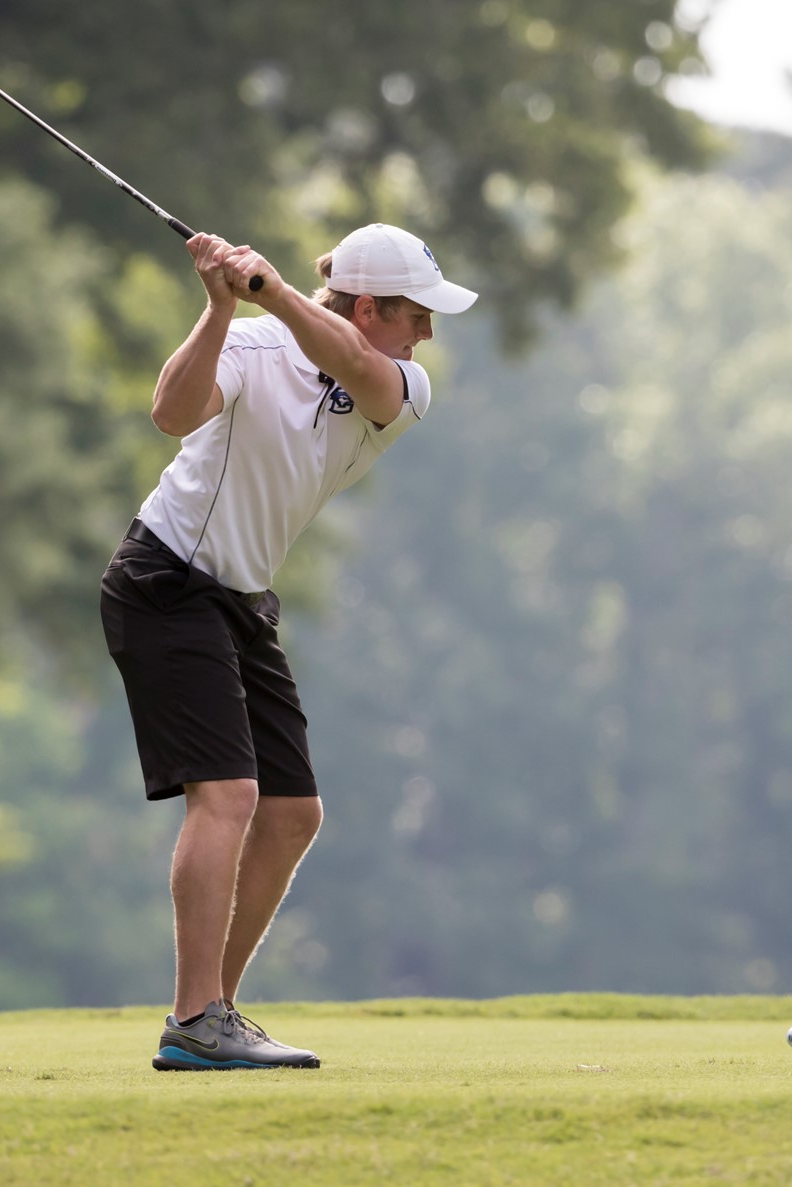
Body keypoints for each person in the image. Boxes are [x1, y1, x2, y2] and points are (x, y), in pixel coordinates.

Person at [99, 224, 477, 1070]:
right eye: (417, 315)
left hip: (241, 598)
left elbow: (355, 366)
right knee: (229, 794)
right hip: (167, 579)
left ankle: (212, 1014)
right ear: (370, 306)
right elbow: (170, 414)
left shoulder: (403, 384)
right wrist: (218, 309)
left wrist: (273, 293)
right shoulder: (252, 342)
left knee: (293, 812)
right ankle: (196, 1017)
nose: (428, 333)